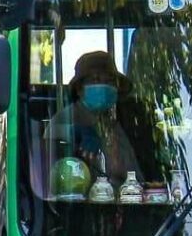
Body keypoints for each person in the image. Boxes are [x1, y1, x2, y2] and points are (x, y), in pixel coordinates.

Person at [44, 51, 142, 189]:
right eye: (96, 80)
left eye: (110, 81)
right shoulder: (68, 116)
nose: (104, 86)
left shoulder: (112, 124)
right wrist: (74, 132)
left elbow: (134, 175)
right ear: (79, 88)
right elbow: (47, 135)